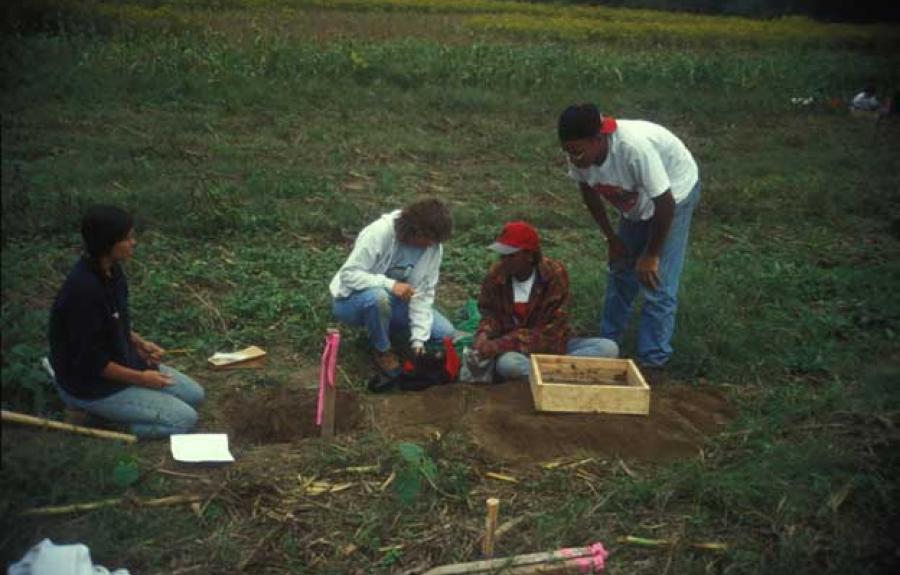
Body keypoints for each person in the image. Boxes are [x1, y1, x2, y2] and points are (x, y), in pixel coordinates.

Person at [557, 103, 701, 380]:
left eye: (576, 151)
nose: (572, 158)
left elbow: (665, 204)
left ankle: (653, 361)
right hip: (637, 201)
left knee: (656, 281)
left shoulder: (634, 150)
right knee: (621, 269)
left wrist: (651, 255)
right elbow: (588, 191)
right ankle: (609, 343)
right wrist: (611, 238)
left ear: (598, 140)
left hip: (674, 194)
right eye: (567, 151)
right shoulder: (579, 152)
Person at [49, 205, 205, 438]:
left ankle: (125, 407)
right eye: (127, 238)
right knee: (182, 420)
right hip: (91, 385)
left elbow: (114, 321)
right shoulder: (82, 291)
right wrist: (143, 379)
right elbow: (92, 363)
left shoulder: (112, 271)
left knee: (195, 395)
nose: (134, 243)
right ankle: (97, 422)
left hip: (121, 362)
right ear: (107, 243)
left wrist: (138, 343)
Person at [473, 221, 618, 380]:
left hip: (554, 346)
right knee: (508, 365)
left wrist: (498, 344)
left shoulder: (554, 275)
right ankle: (566, 373)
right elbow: (490, 314)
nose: (504, 261)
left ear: (529, 255)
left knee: (608, 348)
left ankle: (545, 375)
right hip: (517, 353)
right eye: (502, 255)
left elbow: (552, 331)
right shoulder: (496, 276)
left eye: (511, 256)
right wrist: (484, 334)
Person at [330, 198, 456, 376]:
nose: (431, 245)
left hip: (395, 303)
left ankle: (393, 334)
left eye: (435, 241)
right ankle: (382, 349)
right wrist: (390, 284)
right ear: (415, 230)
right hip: (352, 302)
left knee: (445, 333)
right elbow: (349, 275)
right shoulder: (380, 232)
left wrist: (418, 340)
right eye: (428, 239)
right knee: (378, 297)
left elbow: (423, 294)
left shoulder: (434, 248)